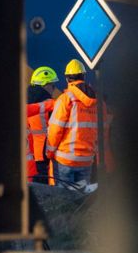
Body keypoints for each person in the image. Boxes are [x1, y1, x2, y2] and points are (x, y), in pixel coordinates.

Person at [45, 58, 107, 187]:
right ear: (83, 76)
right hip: (86, 160)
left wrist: (50, 152)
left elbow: (55, 129)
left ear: (67, 78)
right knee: (80, 200)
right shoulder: (99, 102)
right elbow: (103, 132)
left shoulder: (66, 99)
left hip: (64, 160)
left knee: (62, 200)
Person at [26, 66, 60, 183]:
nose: (54, 89)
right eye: (53, 86)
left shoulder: (24, 101)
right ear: (45, 85)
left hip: (30, 155)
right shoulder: (49, 104)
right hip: (44, 154)